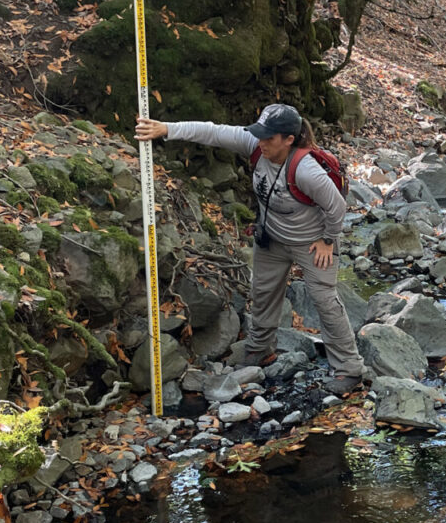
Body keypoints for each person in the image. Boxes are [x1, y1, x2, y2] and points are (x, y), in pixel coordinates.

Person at [134, 103, 368, 396]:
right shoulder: (256, 145)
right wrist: (167, 129)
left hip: (312, 243)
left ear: (289, 139)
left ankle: (349, 370)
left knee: (325, 302)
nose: (261, 142)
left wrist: (328, 240)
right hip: (272, 238)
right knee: (262, 292)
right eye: (260, 135)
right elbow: (213, 132)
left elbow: (336, 206)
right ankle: (260, 351)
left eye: (269, 138)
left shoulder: (307, 171)